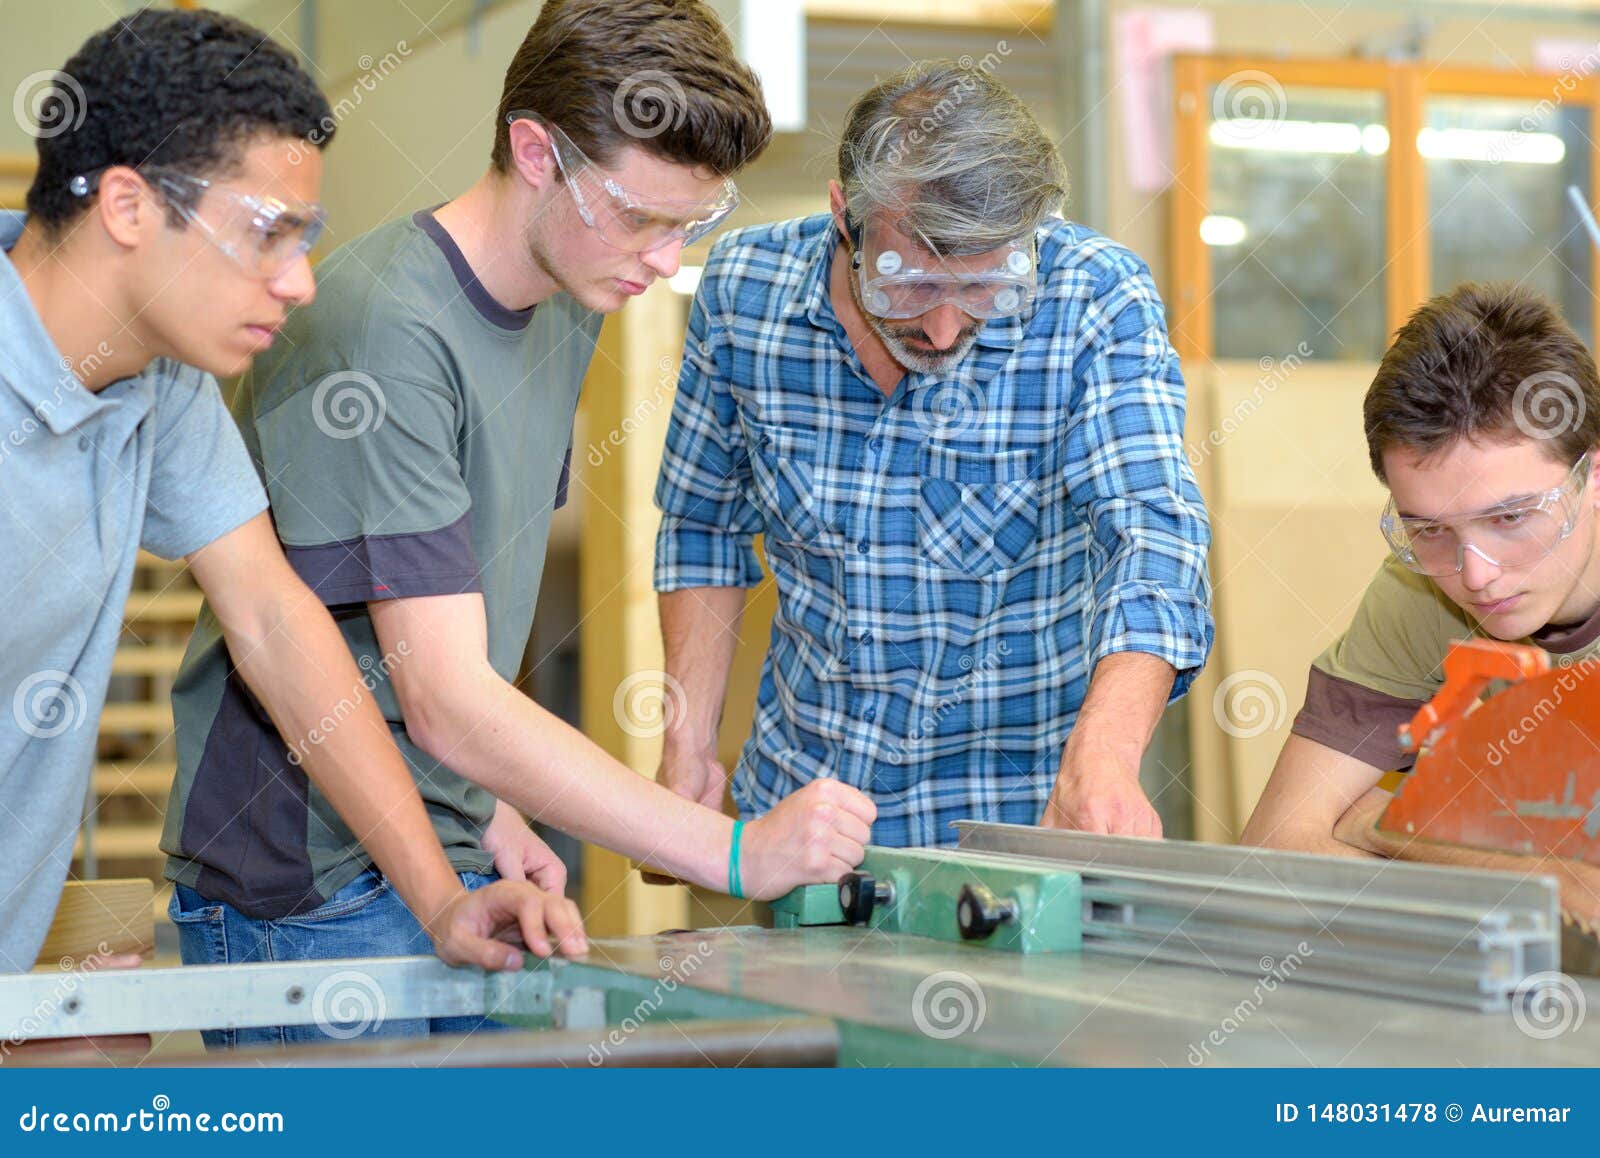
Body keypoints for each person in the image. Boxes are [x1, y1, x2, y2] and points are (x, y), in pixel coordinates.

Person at [161, 0, 875, 1045]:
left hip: (433, 856)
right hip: (309, 887)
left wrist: (484, 810)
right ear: (535, 152)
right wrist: (726, 854)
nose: (664, 259)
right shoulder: (379, 329)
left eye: (692, 224)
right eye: (640, 216)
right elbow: (443, 698)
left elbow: (433, 622)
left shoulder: (570, 297)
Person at [0, 7, 584, 988]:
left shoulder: (161, 384)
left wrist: (439, 895)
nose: (301, 281)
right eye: (268, 235)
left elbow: (274, 620)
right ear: (131, 207)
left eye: (304, 238)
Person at [652, 61, 1213, 847]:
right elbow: (703, 526)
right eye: (909, 285)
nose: (946, 331)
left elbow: (1153, 537)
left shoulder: (1095, 297)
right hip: (805, 818)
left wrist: (1107, 760)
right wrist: (687, 750)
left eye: (985, 289)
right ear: (845, 217)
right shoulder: (743, 293)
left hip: (1021, 824)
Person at [1242, 282, 1600, 929]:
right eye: (1429, 529)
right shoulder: (1417, 591)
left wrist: (1390, 825)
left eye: (1512, 516)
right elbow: (1275, 849)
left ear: (1592, 473)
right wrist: (1534, 876)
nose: (1475, 576)